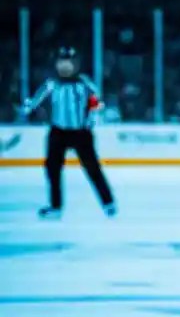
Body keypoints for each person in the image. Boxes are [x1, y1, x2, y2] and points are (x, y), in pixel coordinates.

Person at [19, 46, 115, 219]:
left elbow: (97, 101)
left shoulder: (84, 83)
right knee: (53, 168)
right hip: (58, 132)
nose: (65, 67)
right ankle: (55, 206)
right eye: (61, 63)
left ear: (75, 64)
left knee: (92, 168)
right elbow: (36, 99)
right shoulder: (52, 83)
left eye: (68, 63)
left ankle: (108, 203)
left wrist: (92, 118)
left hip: (81, 133)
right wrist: (28, 107)